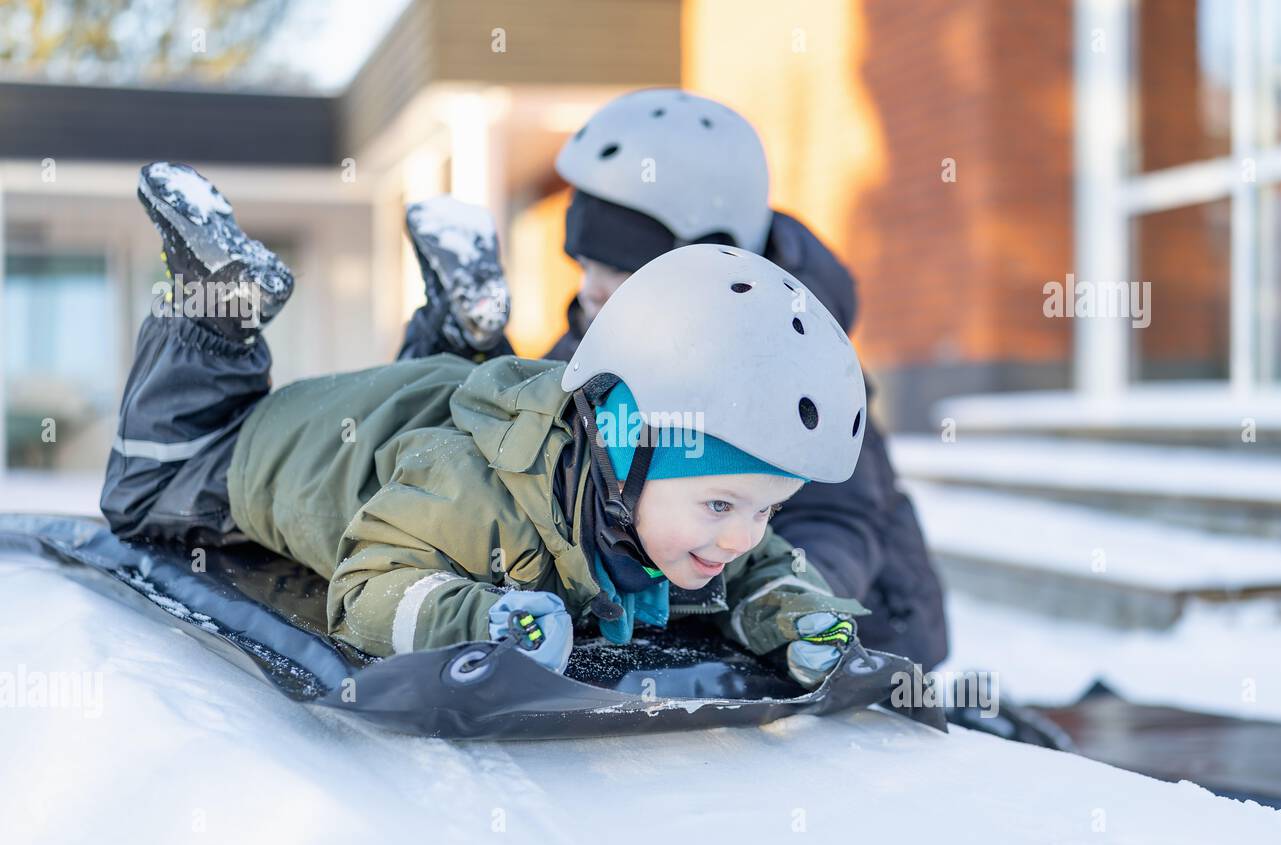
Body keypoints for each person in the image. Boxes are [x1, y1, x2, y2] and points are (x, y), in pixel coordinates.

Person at [101, 162, 876, 689]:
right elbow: (364, 590)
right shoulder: (479, 503)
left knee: (467, 412)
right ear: (624, 449)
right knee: (148, 481)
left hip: (436, 409)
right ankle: (217, 302)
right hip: (275, 448)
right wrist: (481, 618)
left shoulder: (685, 501)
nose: (742, 536)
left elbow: (764, 567)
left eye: (765, 507)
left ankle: (460, 324)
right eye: (722, 507)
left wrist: (807, 620)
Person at [397, 88, 950, 669]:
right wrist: (473, 368)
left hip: (864, 646)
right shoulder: (616, 325)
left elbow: (839, 517)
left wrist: (778, 605)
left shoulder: (798, 358)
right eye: (584, 265)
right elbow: (553, 454)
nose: (589, 288)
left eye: (620, 270)